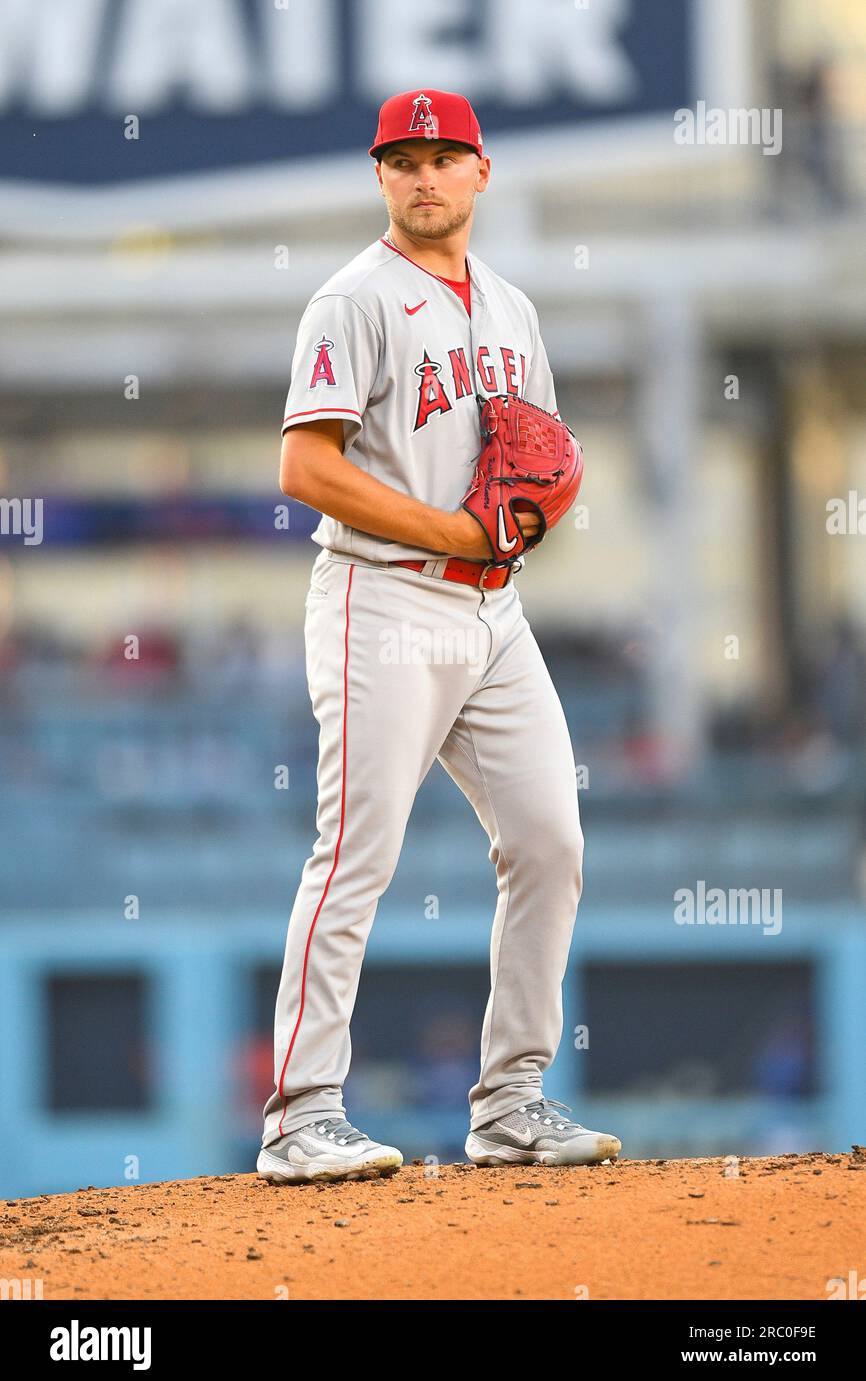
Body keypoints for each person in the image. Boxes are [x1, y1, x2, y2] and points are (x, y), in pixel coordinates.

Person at [257, 89, 621, 1184]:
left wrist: (533, 513)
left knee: (550, 842)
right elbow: (305, 468)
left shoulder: (511, 306)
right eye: (402, 160)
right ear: (380, 177)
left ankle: (509, 1102)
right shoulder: (350, 300)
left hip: (490, 609)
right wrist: (451, 525)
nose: (423, 177)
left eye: (442, 157)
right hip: (384, 597)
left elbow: (546, 458)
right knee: (355, 857)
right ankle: (298, 1114)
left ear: (480, 172)